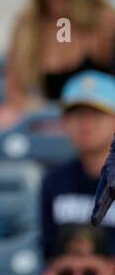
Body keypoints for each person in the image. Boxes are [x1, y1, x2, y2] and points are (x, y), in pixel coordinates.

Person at [0, 0, 115, 130]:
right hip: (49, 126)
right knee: (2, 119)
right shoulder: (25, 27)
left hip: (101, 124)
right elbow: (14, 94)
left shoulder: (105, 21)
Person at [40, 71, 115, 261]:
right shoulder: (53, 182)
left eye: (97, 115)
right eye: (78, 115)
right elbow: (48, 253)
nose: (86, 125)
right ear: (64, 122)